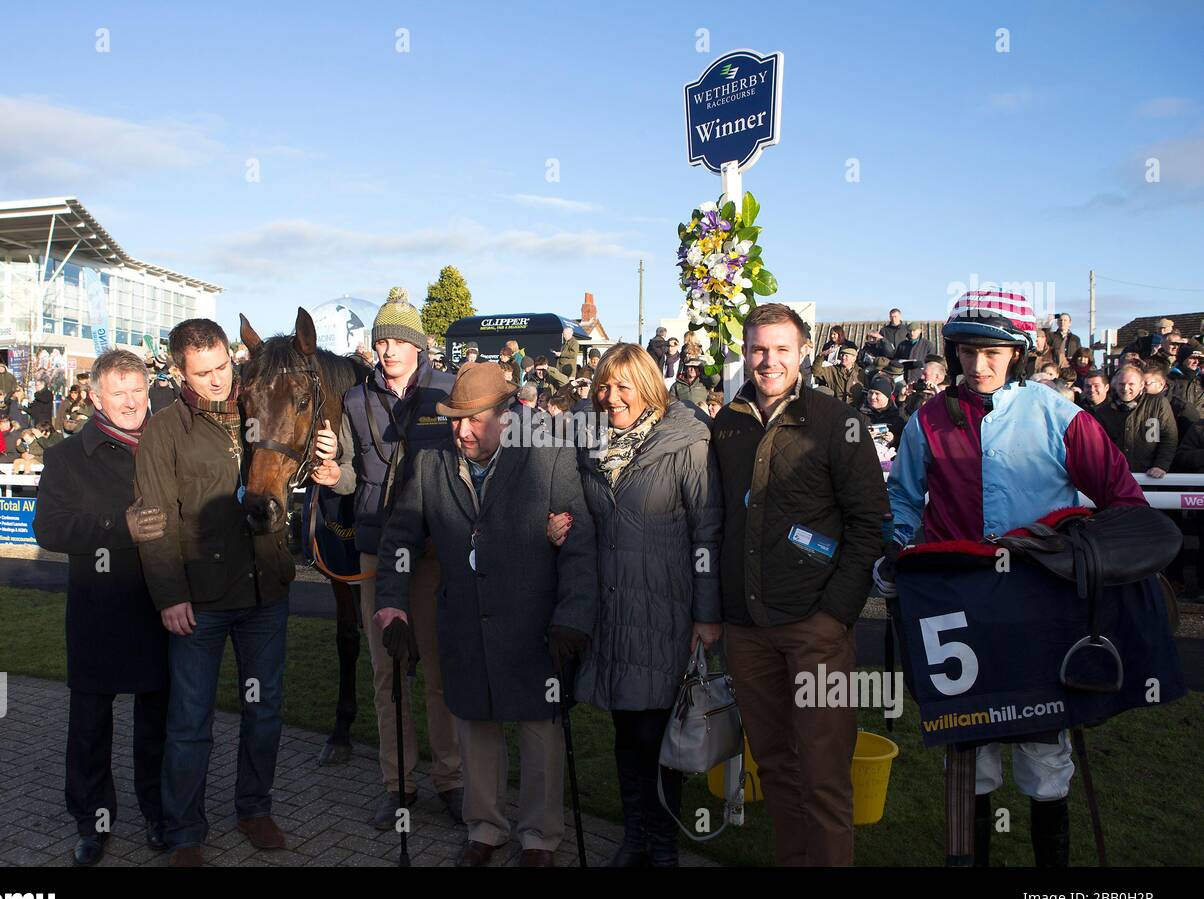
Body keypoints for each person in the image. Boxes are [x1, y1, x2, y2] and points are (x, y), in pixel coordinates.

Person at [880, 289, 1148, 867]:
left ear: (1019, 352)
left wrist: (1086, 557)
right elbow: (902, 501)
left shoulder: (1060, 416)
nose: (979, 365)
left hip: (1040, 607)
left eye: (994, 352)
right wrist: (898, 551)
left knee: (1044, 759)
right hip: (960, 610)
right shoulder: (927, 420)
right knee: (970, 757)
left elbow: (1123, 502)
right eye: (968, 351)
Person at [374, 362, 598, 866]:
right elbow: (400, 539)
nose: (462, 431)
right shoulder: (430, 465)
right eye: (455, 420)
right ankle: (485, 828)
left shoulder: (549, 455)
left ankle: (540, 836)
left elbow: (579, 543)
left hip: (535, 625)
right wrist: (392, 603)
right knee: (475, 726)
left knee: (540, 730)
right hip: (465, 622)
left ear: (507, 416)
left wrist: (573, 617)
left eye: (475, 420)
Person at [711, 303, 888, 866]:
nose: (770, 361)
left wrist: (835, 614)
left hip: (815, 628)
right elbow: (717, 519)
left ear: (803, 352)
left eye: (782, 349)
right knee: (776, 769)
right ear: (745, 352)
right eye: (759, 349)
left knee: (824, 774)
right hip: (747, 627)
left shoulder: (838, 421)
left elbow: (869, 524)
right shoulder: (728, 424)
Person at [547, 344, 720, 866]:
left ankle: (661, 845)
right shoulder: (590, 443)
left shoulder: (685, 443)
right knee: (626, 730)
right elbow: (578, 508)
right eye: (604, 386)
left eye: (624, 386)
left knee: (659, 734)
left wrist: (706, 614)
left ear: (648, 387)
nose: (612, 397)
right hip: (613, 608)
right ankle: (635, 837)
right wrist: (561, 523)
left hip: (666, 607)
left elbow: (706, 530)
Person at [135, 318, 296, 866]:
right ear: (179, 371)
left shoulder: (259, 407)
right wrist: (168, 595)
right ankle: (184, 832)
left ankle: (254, 808)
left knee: (264, 711)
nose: (217, 380)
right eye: (202, 373)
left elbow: (294, 447)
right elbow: (151, 519)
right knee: (189, 721)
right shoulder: (163, 431)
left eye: (223, 366)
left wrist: (323, 460)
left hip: (265, 594)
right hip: (198, 604)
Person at [33, 349, 171, 866]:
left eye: (138, 391)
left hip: (158, 604)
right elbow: (49, 529)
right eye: (119, 393)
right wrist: (119, 527)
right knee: (90, 725)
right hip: (98, 609)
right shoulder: (67, 457)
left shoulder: (164, 446)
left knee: (155, 721)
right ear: (96, 397)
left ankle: (157, 812)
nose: (133, 402)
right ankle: (93, 821)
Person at [342, 287, 464, 829]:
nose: (388, 349)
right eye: (381, 340)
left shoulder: (448, 392)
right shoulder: (353, 399)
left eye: (398, 340)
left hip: (434, 550)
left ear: (419, 346)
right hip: (376, 550)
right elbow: (348, 476)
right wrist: (331, 475)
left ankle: (452, 778)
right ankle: (398, 784)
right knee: (387, 673)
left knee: (438, 670)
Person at [1092, 365, 1178, 478]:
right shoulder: (1103, 411)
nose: (1126, 388)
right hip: (1116, 477)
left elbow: (1169, 438)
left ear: (1141, 385)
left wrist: (1160, 465)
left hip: (1150, 477)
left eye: (1131, 384)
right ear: (1115, 385)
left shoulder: (1158, 404)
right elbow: (1098, 445)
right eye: (1121, 384)